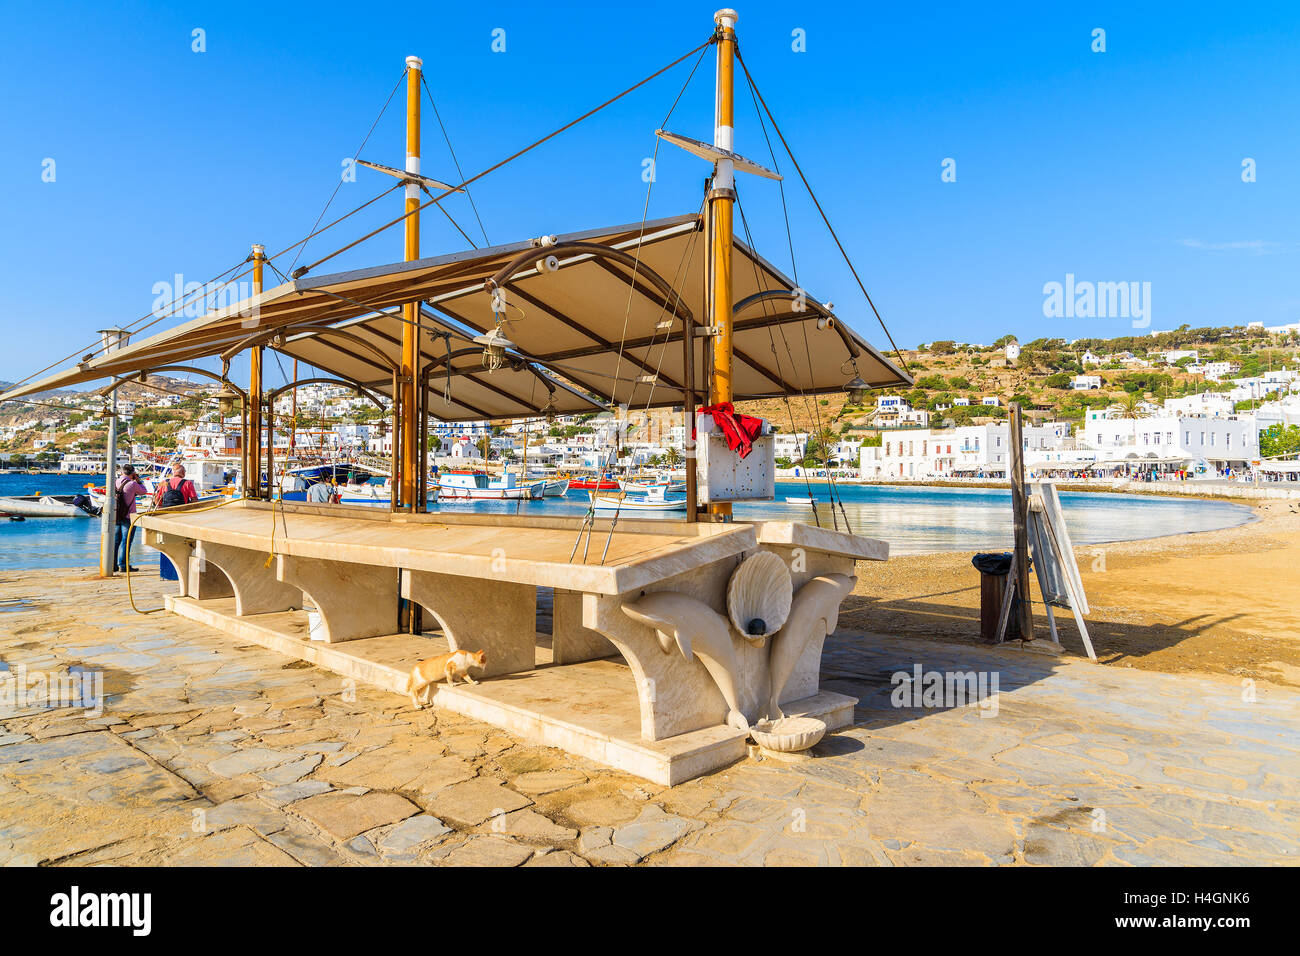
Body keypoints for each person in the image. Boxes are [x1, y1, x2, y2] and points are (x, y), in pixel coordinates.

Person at [113, 463, 148, 572]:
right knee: (126, 541)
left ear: (122, 472)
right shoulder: (132, 484)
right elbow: (144, 491)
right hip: (128, 516)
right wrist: (138, 479)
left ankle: (112, 564)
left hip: (117, 515)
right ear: (132, 473)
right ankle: (123, 565)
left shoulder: (116, 482)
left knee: (116, 541)